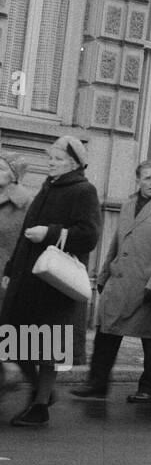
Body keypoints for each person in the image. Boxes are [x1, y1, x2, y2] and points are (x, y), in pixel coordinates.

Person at [1, 135, 102, 427]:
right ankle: (40, 393)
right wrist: (10, 267)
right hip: (29, 277)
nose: (51, 163)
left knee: (47, 346)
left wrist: (50, 232)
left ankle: (41, 404)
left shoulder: (84, 191)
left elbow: (89, 235)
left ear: (73, 163)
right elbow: (25, 233)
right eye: (50, 158)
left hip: (54, 282)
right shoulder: (49, 186)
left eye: (57, 159)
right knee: (16, 338)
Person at [71, 160, 151, 403]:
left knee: (150, 338)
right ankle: (97, 383)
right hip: (120, 281)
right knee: (106, 332)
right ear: (138, 180)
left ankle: (150, 387)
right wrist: (103, 274)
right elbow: (115, 242)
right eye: (147, 178)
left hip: (146, 286)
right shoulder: (128, 205)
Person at [0, 152, 32, 388]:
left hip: (8, 275)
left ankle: (39, 385)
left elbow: (27, 241)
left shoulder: (24, 202)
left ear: (14, 175)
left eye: (1, 168)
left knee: (12, 336)